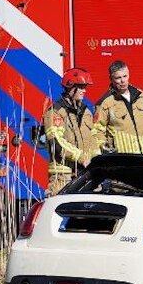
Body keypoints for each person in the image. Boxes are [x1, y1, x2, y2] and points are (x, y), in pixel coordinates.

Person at [42, 67, 100, 195]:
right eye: (81, 87)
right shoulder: (55, 112)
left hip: (85, 174)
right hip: (63, 177)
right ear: (70, 87)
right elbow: (56, 143)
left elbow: (93, 140)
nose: (84, 91)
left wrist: (98, 161)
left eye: (85, 87)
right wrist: (81, 158)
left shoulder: (86, 111)